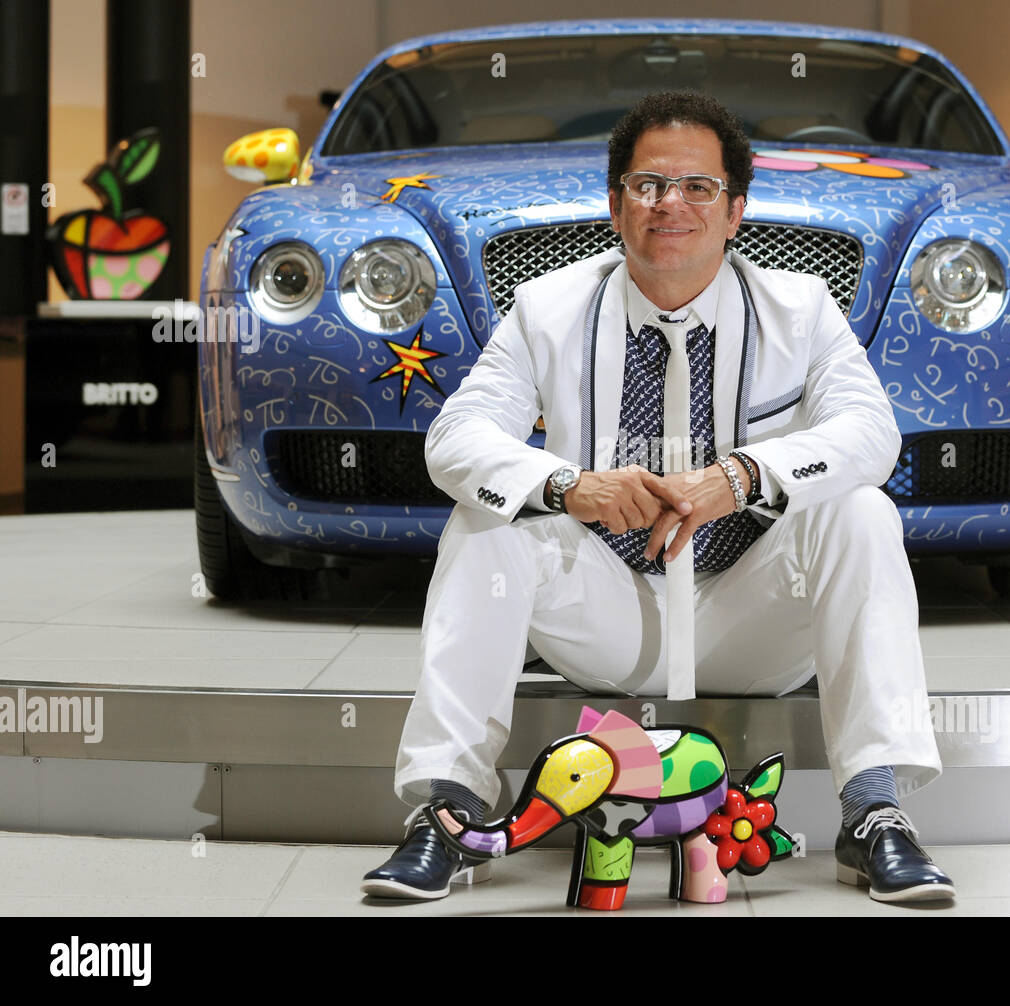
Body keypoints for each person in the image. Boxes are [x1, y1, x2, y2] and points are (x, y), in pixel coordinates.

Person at [361, 91, 953, 905]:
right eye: (647, 185)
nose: (670, 204)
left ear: (736, 210)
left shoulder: (802, 308)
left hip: (753, 619)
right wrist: (569, 486)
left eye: (698, 188)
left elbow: (871, 436)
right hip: (612, 616)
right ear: (615, 205)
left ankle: (875, 811)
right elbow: (456, 440)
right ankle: (451, 809)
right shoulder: (547, 308)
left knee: (861, 512)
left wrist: (744, 476)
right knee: (488, 515)